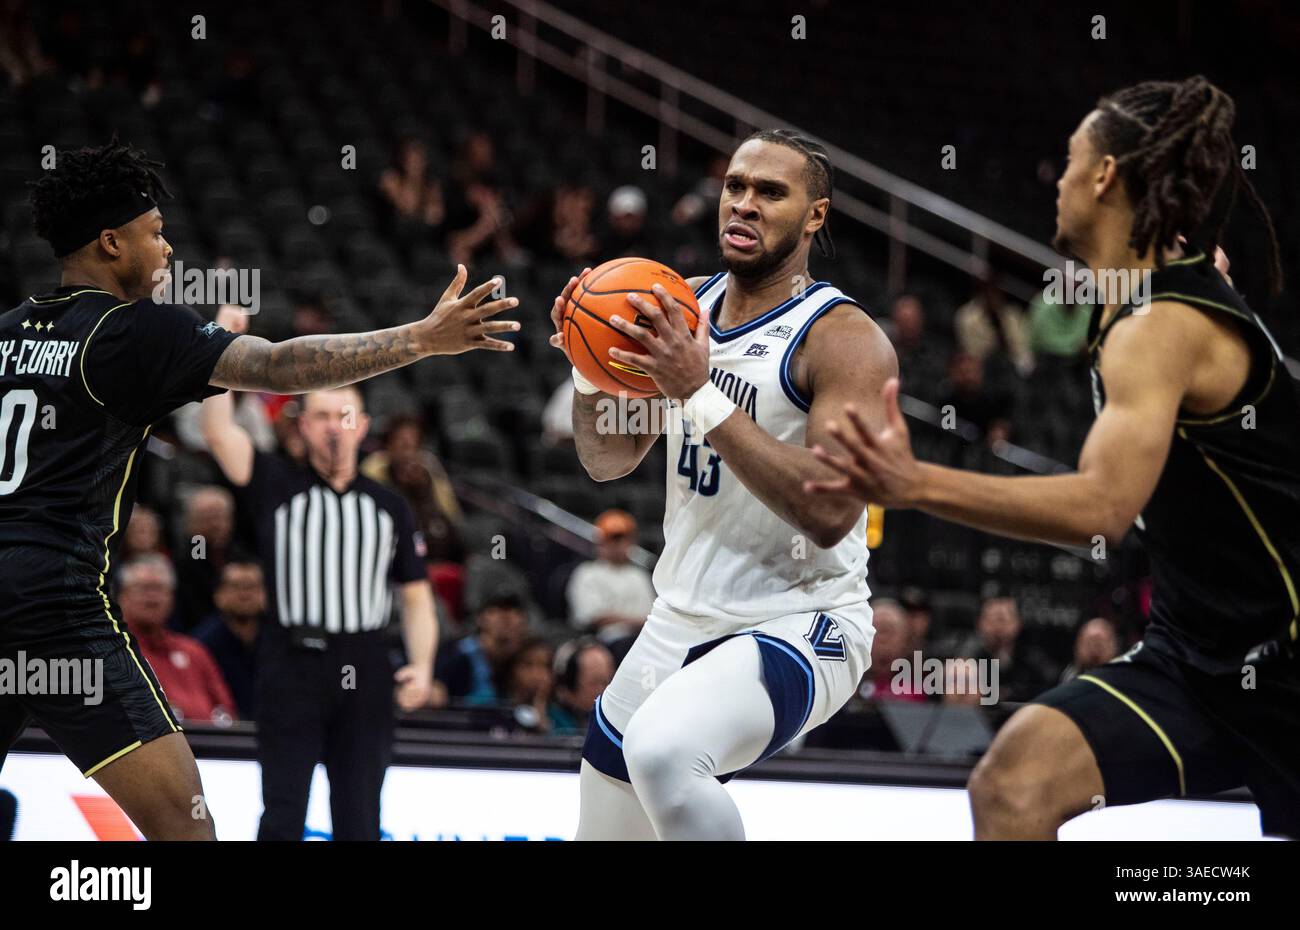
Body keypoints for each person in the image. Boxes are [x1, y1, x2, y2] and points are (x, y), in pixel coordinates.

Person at [806, 77, 1299, 838]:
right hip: (1196, 660)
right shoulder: (1143, 293)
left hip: (1289, 661)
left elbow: (1101, 509)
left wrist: (914, 482)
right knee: (1013, 785)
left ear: (1104, 176)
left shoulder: (1161, 324)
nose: (1059, 180)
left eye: (1071, 160)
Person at [0, 139, 518, 840]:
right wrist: (421, 339)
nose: (169, 251)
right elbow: (277, 366)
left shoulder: (6, 332)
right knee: (186, 826)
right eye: (155, 234)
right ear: (111, 242)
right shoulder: (130, 329)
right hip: (52, 601)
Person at [551, 129, 896, 840]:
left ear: (814, 217)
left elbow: (830, 512)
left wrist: (699, 392)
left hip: (803, 619)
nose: (743, 204)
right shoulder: (679, 311)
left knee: (665, 754)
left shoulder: (844, 338)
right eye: (735, 186)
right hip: (681, 615)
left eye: (770, 192)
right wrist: (590, 370)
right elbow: (607, 459)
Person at [200, 321, 454, 840]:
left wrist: (423, 666)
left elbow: (416, 596)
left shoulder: (390, 506)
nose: (332, 427)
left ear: (362, 426)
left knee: (360, 817)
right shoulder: (273, 480)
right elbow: (218, 432)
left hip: (365, 662)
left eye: (344, 415)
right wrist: (221, 342)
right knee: (283, 811)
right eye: (319, 416)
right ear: (301, 427)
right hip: (290, 661)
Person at [118, 556, 237, 725]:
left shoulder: (194, 650)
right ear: (122, 597)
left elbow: (227, 710)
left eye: (159, 589)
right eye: (143, 588)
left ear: (172, 598)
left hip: (211, 746)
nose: (152, 598)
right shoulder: (114, 651)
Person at [565, 509, 655, 648]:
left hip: (641, 640)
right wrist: (633, 621)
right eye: (613, 539)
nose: (619, 545)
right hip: (601, 642)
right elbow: (594, 617)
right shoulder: (587, 572)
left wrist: (618, 618)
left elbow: (650, 617)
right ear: (600, 542)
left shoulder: (639, 576)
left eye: (624, 539)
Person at [192, 557, 266, 718]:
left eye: (252, 587)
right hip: (224, 734)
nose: (245, 594)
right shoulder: (201, 645)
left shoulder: (277, 643)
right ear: (219, 594)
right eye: (236, 587)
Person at [435, 592, 530, 706]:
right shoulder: (456, 653)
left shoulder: (528, 659)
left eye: (514, 609)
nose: (506, 616)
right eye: (496, 609)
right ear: (480, 618)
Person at [549, 638, 615, 736]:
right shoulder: (550, 724)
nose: (604, 690)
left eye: (607, 682)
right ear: (568, 684)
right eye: (594, 683)